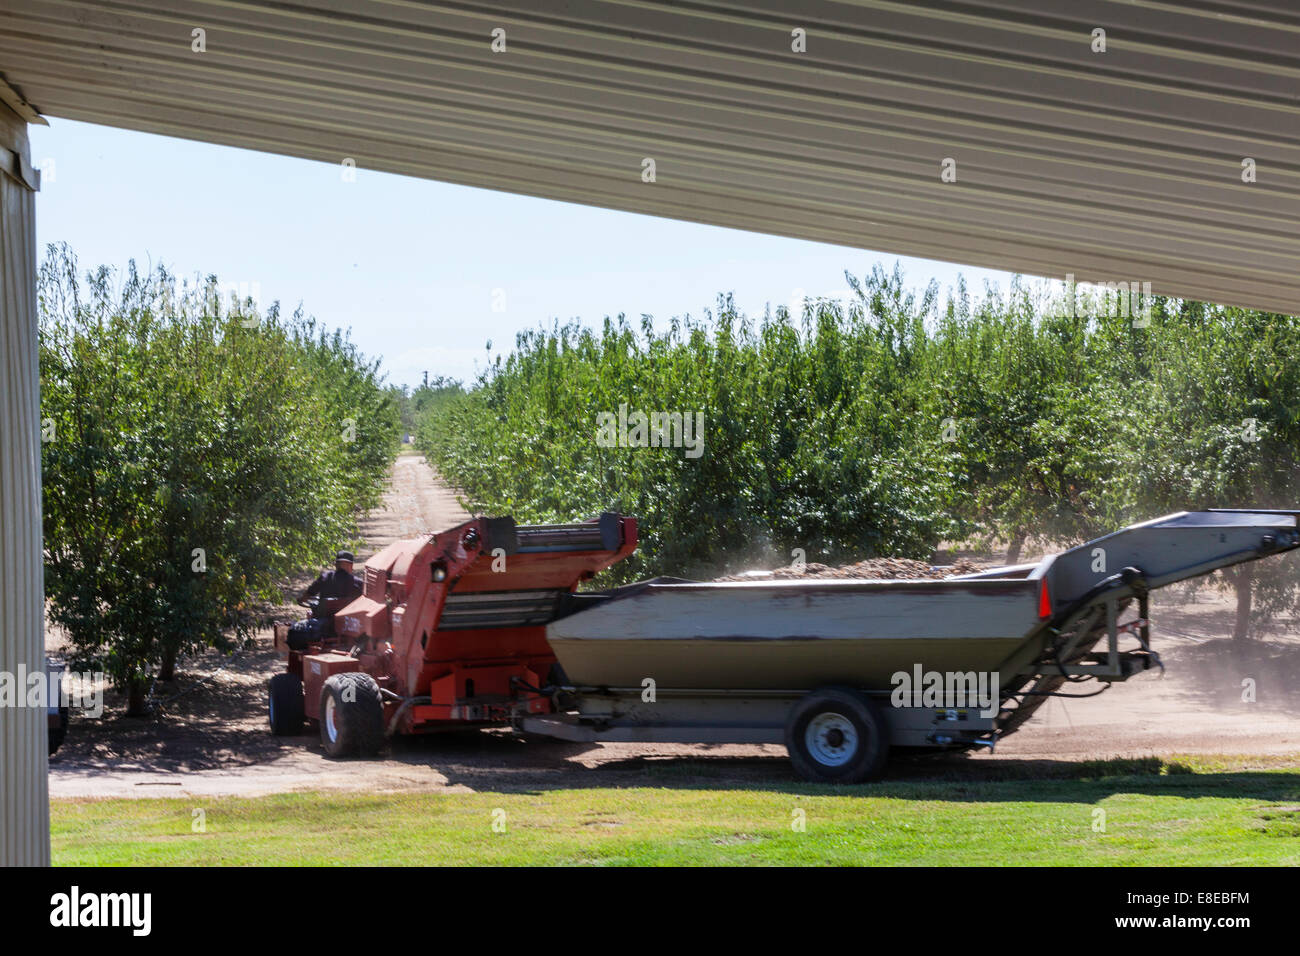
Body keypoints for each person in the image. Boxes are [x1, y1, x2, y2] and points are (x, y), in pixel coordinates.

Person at [288, 551, 363, 649]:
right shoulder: (358, 583)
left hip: (326, 626)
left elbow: (309, 593)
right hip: (348, 626)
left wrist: (301, 599)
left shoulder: (326, 577)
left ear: (336, 565)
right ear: (351, 566)